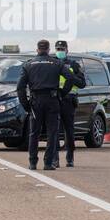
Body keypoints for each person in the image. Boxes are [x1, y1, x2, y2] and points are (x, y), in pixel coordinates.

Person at [17, 39, 68, 170]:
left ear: (37, 50)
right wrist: (62, 93)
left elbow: (20, 87)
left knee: (34, 133)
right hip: (52, 100)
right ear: (49, 50)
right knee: (52, 133)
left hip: (36, 101)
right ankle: (48, 163)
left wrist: (26, 105)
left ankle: (32, 162)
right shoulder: (56, 63)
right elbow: (71, 78)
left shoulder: (28, 65)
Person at [54, 40, 86, 168]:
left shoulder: (74, 65)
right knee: (54, 130)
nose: (60, 51)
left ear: (67, 50)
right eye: (58, 49)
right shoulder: (52, 63)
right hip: (55, 100)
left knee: (69, 131)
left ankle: (70, 158)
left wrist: (71, 77)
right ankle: (55, 158)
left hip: (68, 100)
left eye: (62, 49)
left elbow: (82, 84)